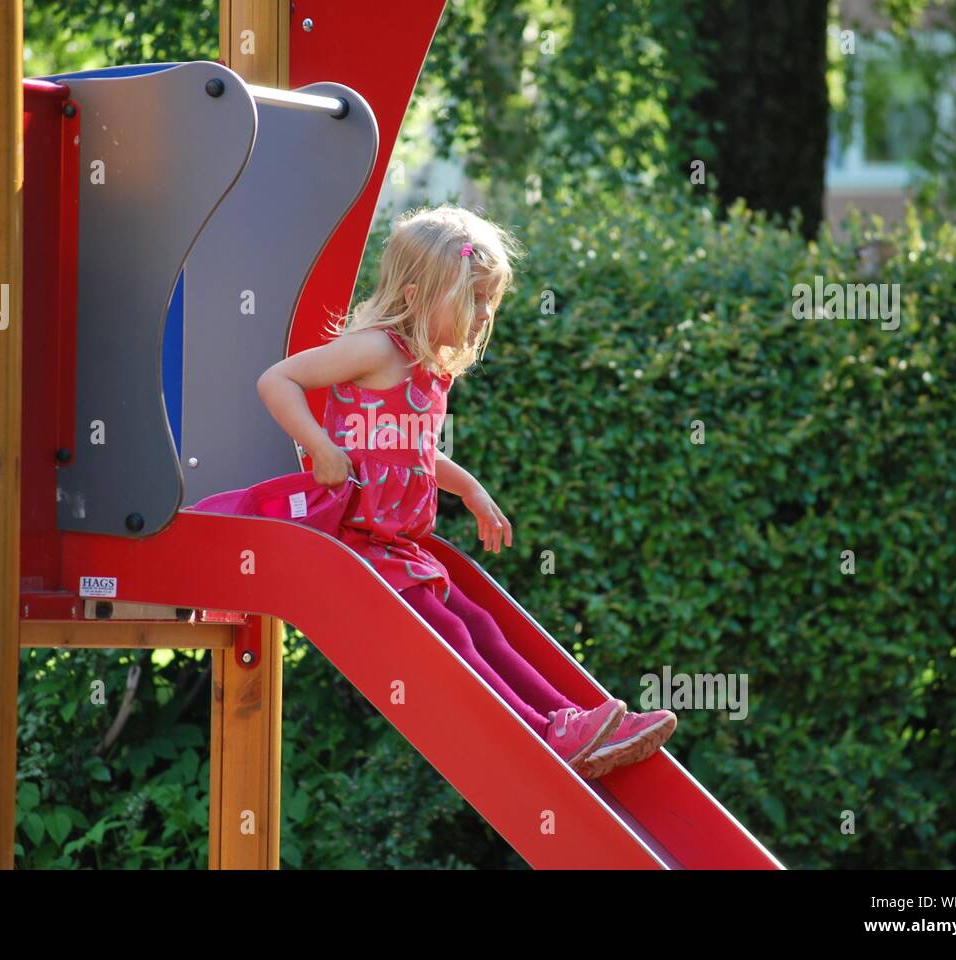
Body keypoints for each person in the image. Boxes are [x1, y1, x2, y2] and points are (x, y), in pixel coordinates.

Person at [256, 204, 676, 778]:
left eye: (490, 301)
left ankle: (571, 723)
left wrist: (471, 491)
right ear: (415, 294)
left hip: (395, 546)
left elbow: (417, 454)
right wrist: (321, 448)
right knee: (452, 631)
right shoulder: (375, 350)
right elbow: (277, 379)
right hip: (351, 543)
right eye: (472, 299)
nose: (483, 315)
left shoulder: (426, 371)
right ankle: (542, 734)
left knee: (480, 624)